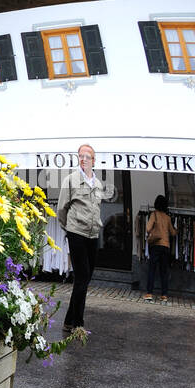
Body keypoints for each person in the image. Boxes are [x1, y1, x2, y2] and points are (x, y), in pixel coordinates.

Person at [55, 144, 114, 335]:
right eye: (81, 156)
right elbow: (61, 209)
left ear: (94, 160)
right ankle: (78, 325)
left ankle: (68, 321)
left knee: (85, 278)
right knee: (82, 277)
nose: (84, 159)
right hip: (77, 233)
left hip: (92, 234)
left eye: (87, 157)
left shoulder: (98, 184)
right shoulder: (71, 180)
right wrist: (70, 229)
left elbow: (97, 208)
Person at [144, 195, 173, 303]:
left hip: (155, 245)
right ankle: (164, 295)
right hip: (165, 247)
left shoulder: (154, 215)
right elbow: (173, 232)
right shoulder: (168, 218)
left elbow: (147, 228)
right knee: (163, 271)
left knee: (152, 269)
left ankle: (149, 293)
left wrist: (152, 232)